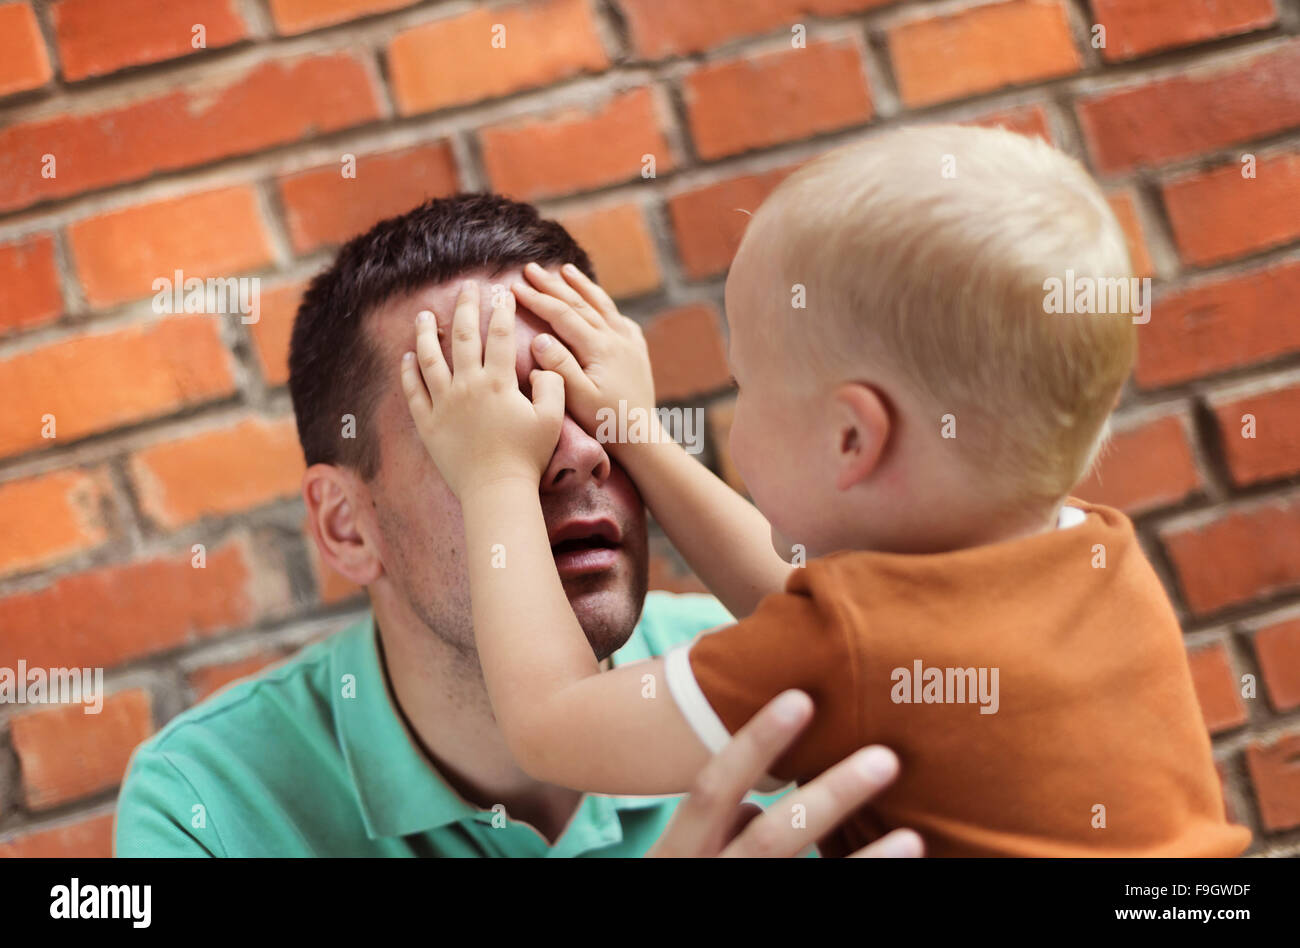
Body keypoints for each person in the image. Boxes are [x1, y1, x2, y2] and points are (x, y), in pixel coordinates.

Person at [401, 126, 1252, 857]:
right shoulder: (1093, 553)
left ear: (852, 437)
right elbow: (812, 603)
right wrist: (635, 433)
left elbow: (553, 722)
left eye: (749, 387)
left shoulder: (851, 645)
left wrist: (493, 473)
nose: (733, 423)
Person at [113, 193, 922, 858]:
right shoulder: (207, 803)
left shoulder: (778, 675)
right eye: (478, 424)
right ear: (347, 527)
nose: (578, 456)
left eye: (591, 404)